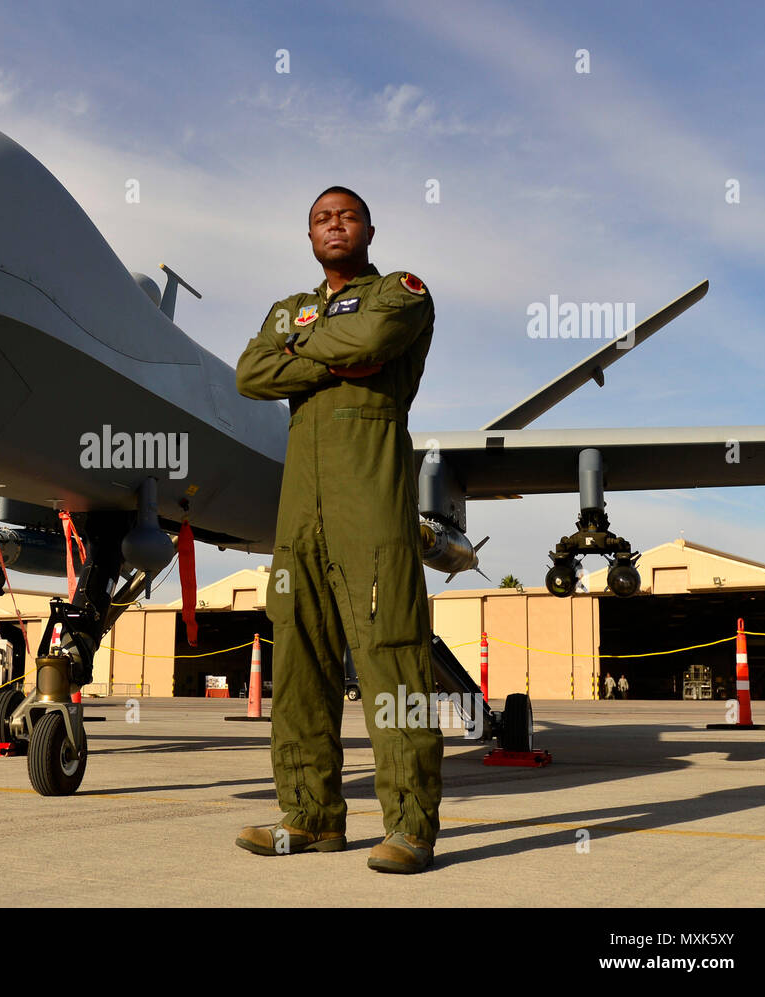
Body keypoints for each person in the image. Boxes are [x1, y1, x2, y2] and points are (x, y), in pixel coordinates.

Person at [234, 186, 441, 873]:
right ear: (310, 234)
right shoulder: (287, 308)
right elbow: (250, 372)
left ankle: (411, 825)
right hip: (300, 512)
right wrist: (330, 353)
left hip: (371, 503)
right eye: (322, 217)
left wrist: (300, 352)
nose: (335, 224)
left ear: (368, 228)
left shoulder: (400, 293)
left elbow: (376, 338)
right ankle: (311, 818)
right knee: (297, 661)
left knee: (392, 655)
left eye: (346, 215)